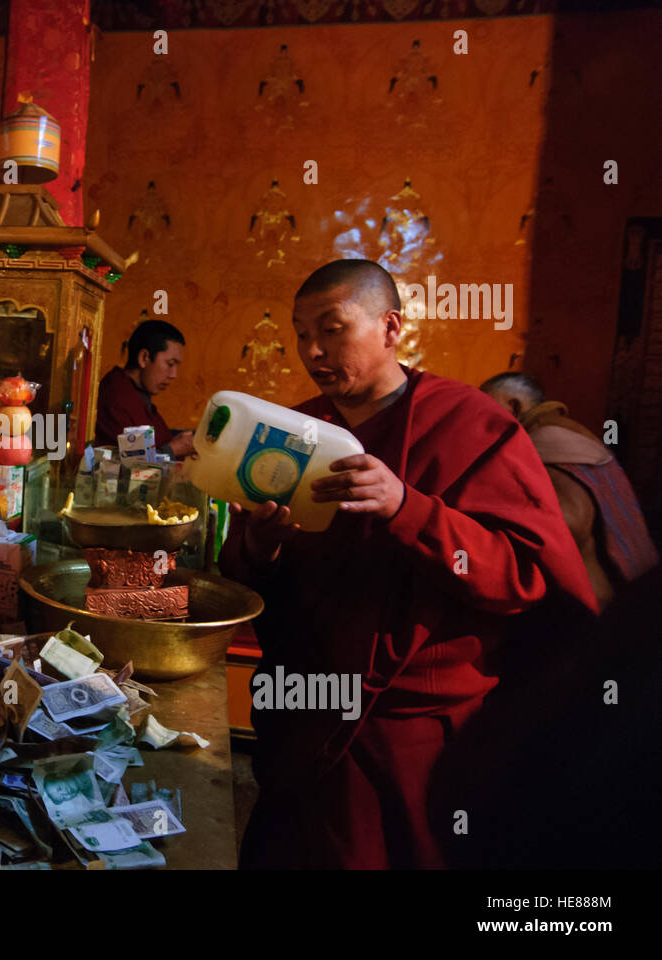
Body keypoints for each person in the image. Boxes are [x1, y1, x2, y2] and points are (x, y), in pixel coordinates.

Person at [219, 259, 597, 869]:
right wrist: (262, 544)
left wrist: (406, 507)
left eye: (332, 329)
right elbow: (248, 571)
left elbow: (523, 574)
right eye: (301, 333)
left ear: (391, 327)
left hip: (409, 727)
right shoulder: (299, 429)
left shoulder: (472, 425)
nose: (312, 351)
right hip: (305, 705)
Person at [480, 371, 657, 609]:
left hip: (598, 606)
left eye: (486, 406)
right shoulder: (574, 433)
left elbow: (569, 521)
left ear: (514, 406)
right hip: (638, 589)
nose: (480, 417)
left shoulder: (544, 442)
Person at [94, 320, 194, 457]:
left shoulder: (140, 396)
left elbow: (160, 441)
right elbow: (131, 461)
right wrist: (174, 449)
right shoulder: (115, 396)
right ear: (144, 358)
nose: (174, 375)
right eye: (170, 364)